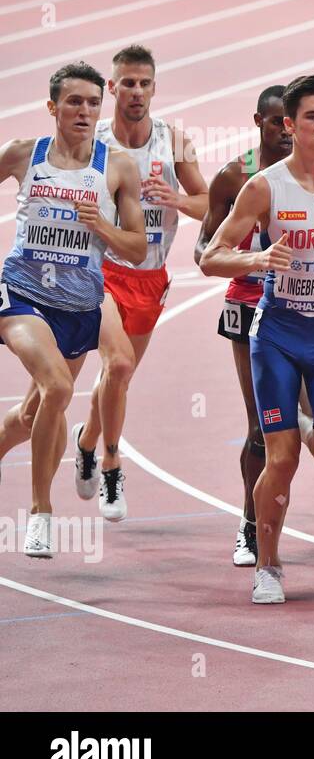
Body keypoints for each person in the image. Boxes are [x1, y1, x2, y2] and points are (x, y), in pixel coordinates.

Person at [200, 74, 314, 604]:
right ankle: (269, 566)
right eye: (311, 118)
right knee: (281, 460)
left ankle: (299, 421)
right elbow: (212, 256)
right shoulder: (265, 186)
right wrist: (256, 259)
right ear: (289, 125)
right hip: (276, 334)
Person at [0, 62, 145, 557]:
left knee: (31, 413)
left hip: (80, 304)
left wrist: (101, 227)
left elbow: (137, 248)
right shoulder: (24, 154)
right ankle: (40, 513)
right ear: (52, 107)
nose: (84, 111)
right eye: (73, 102)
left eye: (91, 103)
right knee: (58, 386)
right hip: (21, 294)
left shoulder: (118, 166)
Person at [72, 45, 207, 523]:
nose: (135, 91)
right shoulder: (96, 141)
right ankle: (111, 463)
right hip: (102, 270)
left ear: (154, 88)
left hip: (151, 276)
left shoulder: (175, 142)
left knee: (117, 377)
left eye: (144, 83)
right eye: (126, 83)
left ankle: (86, 442)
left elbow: (209, 203)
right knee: (120, 366)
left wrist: (176, 198)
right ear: (111, 88)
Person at [197, 85, 293, 566]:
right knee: (260, 427)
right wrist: (252, 259)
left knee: (302, 428)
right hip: (249, 304)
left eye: (288, 120)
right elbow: (203, 250)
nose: (284, 129)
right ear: (259, 121)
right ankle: (250, 526)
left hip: (303, 307)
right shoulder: (233, 178)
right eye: (275, 121)